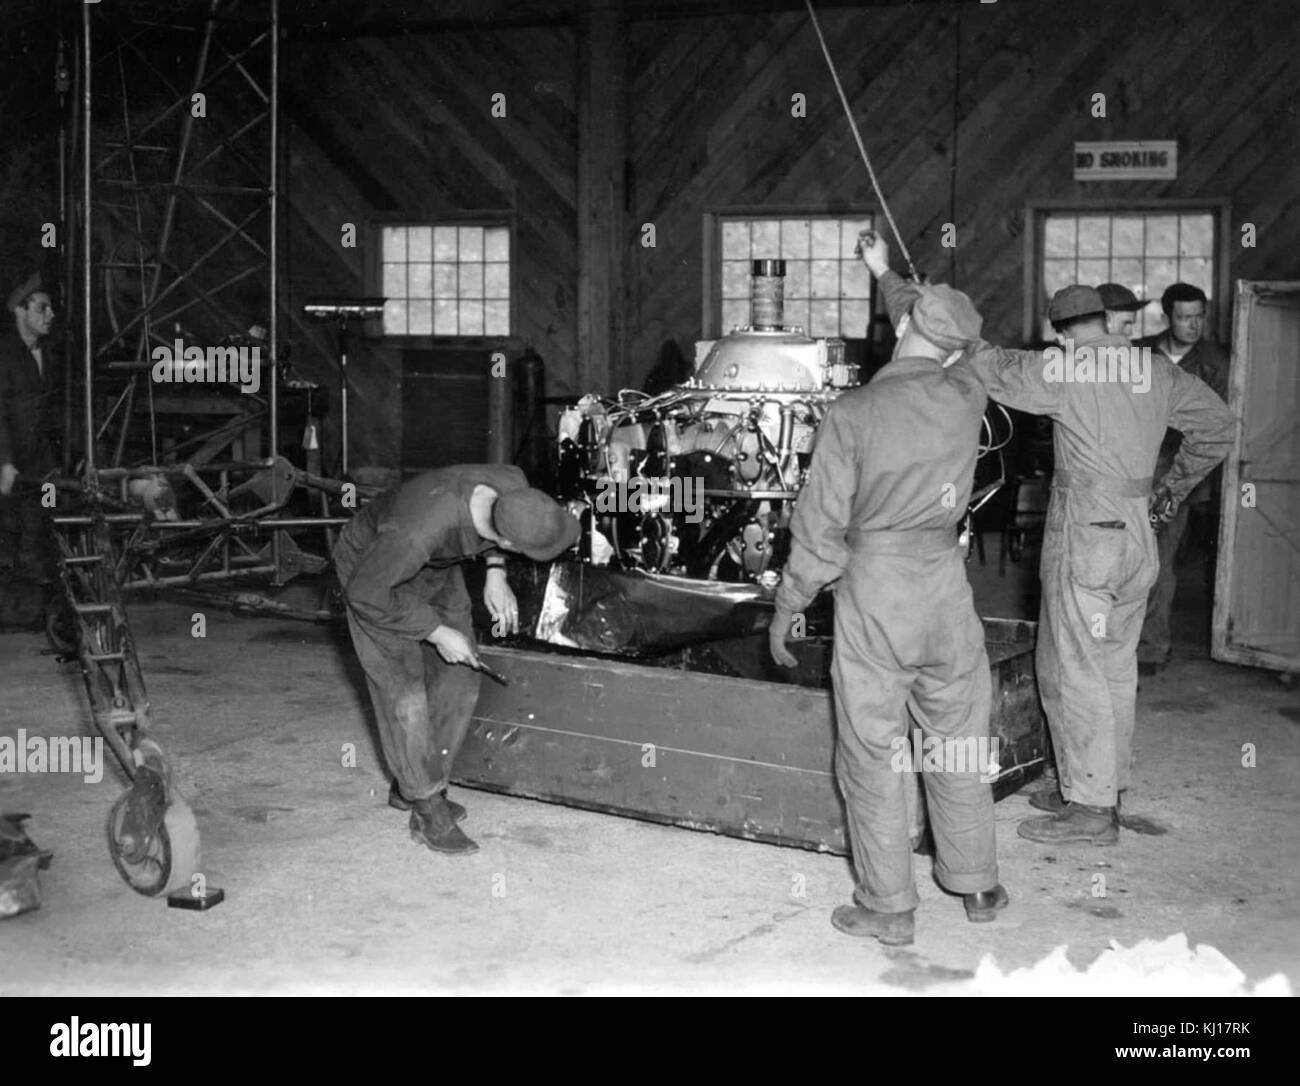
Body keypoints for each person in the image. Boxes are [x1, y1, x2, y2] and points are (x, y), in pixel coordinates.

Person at [769, 233, 1007, 948]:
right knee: (958, 740)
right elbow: (937, 328)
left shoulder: (853, 414)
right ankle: (977, 883)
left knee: (873, 752)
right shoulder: (969, 393)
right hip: (947, 594)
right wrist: (889, 275)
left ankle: (889, 906)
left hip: (877, 594)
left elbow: (818, 533)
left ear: (902, 330)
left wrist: (786, 609)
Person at [966, 286, 1234, 844]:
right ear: (1107, 322)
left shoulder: (1063, 367)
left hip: (1088, 532)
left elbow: (987, 364)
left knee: (1072, 668)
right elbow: (1220, 427)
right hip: (1139, 531)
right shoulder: (1155, 369)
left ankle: (1090, 811)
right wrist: (1173, 488)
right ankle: (1101, 787)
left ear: (1063, 330)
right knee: (1114, 666)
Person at [332, 464, 579, 855]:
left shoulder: (513, 486)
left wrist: (496, 573)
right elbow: (367, 593)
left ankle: (411, 783)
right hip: (373, 572)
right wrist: (434, 630)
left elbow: (498, 533)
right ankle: (426, 806)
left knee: (460, 677)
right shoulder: (417, 532)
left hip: (434, 564)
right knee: (404, 695)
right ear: (511, 542)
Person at [1133, 283, 1230, 675]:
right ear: (1166, 317)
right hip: (1134, 466)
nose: (1194, 325)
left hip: (1179, 472)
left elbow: (1217, 425)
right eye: (1185, 317)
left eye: (1200, 316)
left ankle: (1151, 648)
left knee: (1160, 558)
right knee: (1128, 556)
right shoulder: (1139, 352)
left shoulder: (1216, 362)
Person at [0, 274, 60, 626]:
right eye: (42, 307)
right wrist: (3, 462)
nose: (50, 314)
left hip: (41, 466)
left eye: (50, 307)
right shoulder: (4, 355)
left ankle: (36, 611)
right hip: (10, 463)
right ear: (20, 311)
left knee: (42, 523)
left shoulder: (48, 355)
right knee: (9, 532)